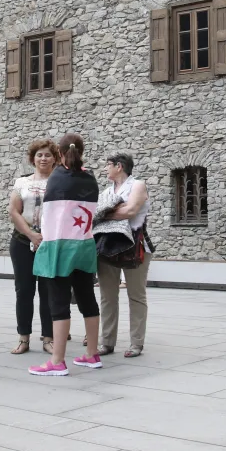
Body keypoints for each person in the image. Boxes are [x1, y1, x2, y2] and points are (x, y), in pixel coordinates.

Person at [28, 133, 102, 376]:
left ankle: (57, 361)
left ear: (59, 154)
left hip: (59, 247)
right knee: (87, 298)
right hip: (84, 245)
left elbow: (49, 217)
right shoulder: (90, 177)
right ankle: (92, 354)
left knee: (58, 303)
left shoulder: (57, 177)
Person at [8, 138, 59, 355]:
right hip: (22, 241)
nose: (43, 158)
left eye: (48, 155)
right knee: (24, 290)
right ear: (33, 158)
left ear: (55, 159)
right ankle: (23, 337)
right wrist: (31, 235)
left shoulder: (59, 182)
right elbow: (13, 212)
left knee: (48, 291)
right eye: (39, 155)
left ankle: (49, 337)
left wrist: (44, 237)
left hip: (49, 243)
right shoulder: (22, 183)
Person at [97, 153, 151, 358]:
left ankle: (136, 343)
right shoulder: (106, 191)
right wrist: (106, 211)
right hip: (107, 243)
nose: (105, 169)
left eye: (108, 165)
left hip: (134, 244)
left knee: (136, 295)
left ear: (119, 166)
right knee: (107, 296)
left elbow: (131, 211)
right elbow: (96, 213)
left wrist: (105, 212)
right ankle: (107, 342)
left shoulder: (137, 185)